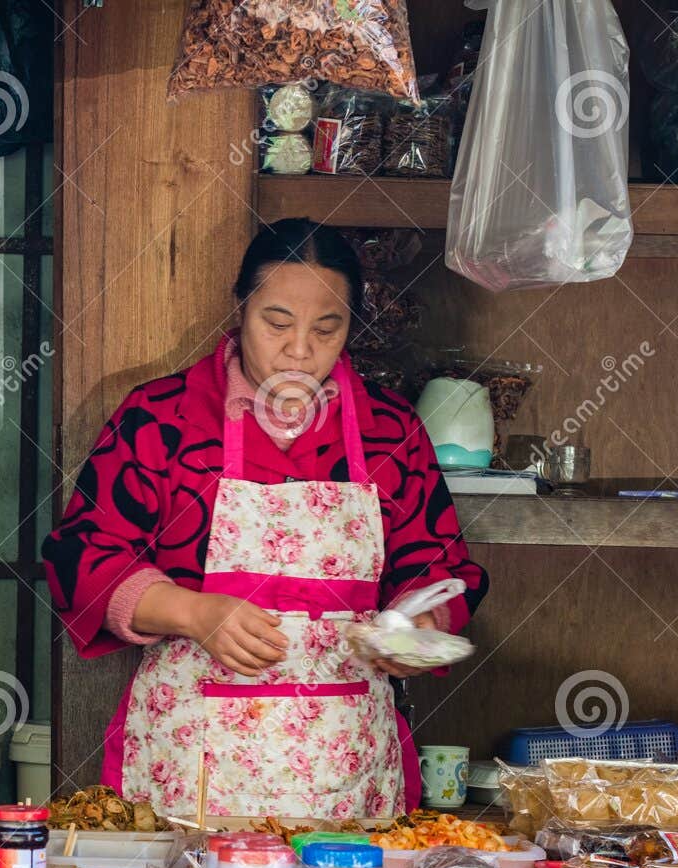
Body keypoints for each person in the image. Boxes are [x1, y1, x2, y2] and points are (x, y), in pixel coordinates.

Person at [42, 218, 487, 819]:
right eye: (276, 323)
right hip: (195, 757)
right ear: (241, 308)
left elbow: (441, 565)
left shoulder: (390, 433)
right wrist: (194, 611)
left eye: (327, 329)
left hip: (344, 759)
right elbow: (84, 557)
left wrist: (416, 630)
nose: (300, 349)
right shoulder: (162, 419)